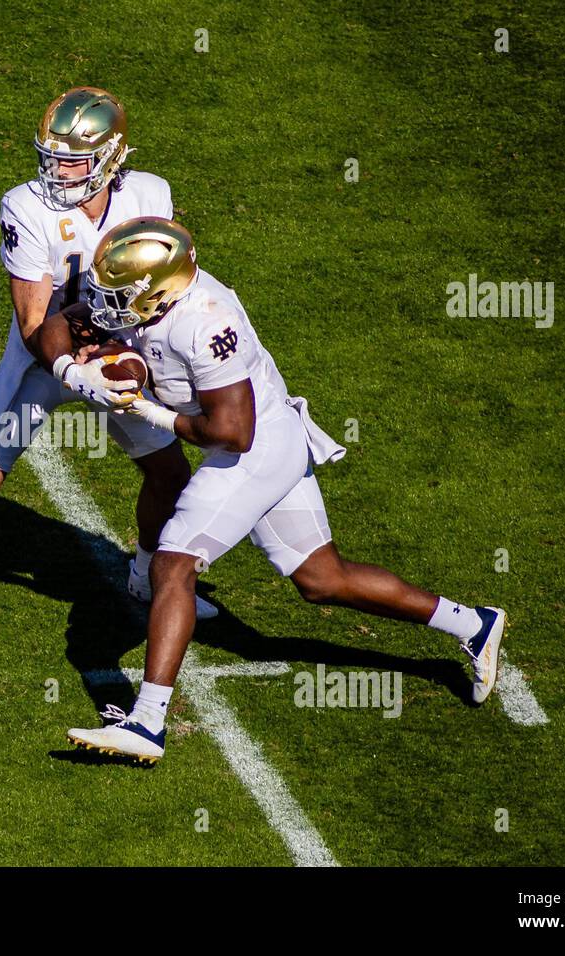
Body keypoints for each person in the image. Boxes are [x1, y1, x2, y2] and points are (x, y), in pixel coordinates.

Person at [62, 217, 506, 763]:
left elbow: (233, 432)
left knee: (173, 564)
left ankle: (148, 722)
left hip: (256, 448)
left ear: (158, 291)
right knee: (323, 580)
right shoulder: (163, 303)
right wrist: (82, 366)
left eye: (119, 296)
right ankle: (473, 623)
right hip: (267, 439)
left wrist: (151, 411)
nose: (105, 306)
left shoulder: (204, 323)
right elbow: (76, 322)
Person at [0, 89, 215, 621]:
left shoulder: (150, 195)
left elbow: (164, 287)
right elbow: (31, 324)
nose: (57, 170)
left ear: (111, 156)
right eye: (52, 157)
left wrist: (122, 359)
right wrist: (75, 370)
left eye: (72, 160)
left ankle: (144, 575)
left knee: (170, 476)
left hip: (119, 351)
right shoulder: (25, 207)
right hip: (44, 359)